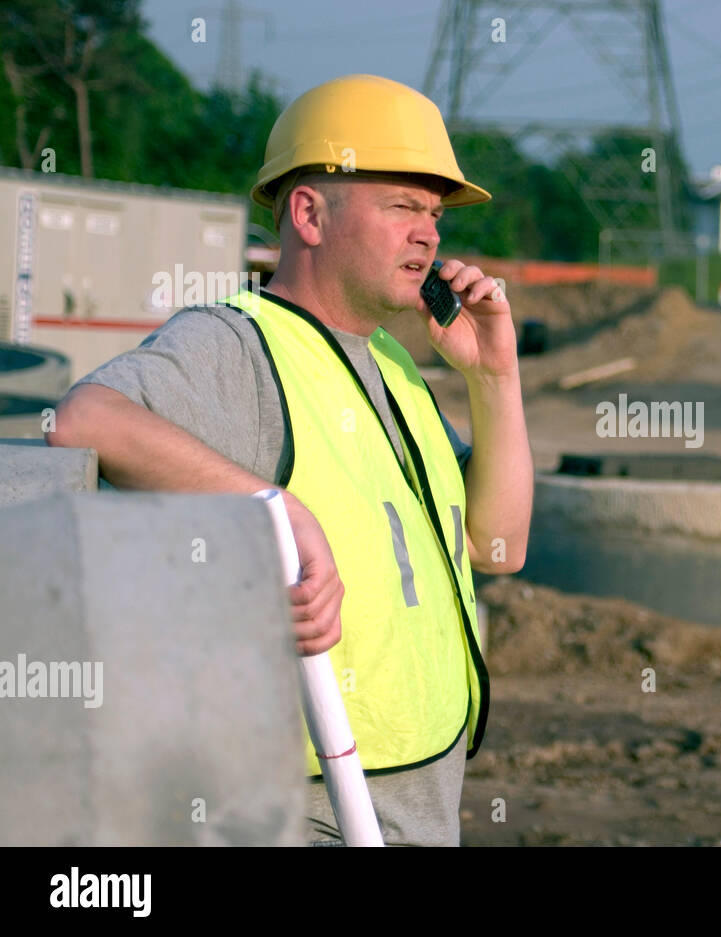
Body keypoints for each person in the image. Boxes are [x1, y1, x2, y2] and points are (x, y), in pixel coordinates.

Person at [45, 74, 532, 846]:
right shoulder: (238, 342)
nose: (429, 235)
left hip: (415, 799)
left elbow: (497, 542)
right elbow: (83, 418)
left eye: (435, 215)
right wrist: (278, 510)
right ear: (308, 212)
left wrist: (493, 376)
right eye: (403, 205)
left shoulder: (395, 368)